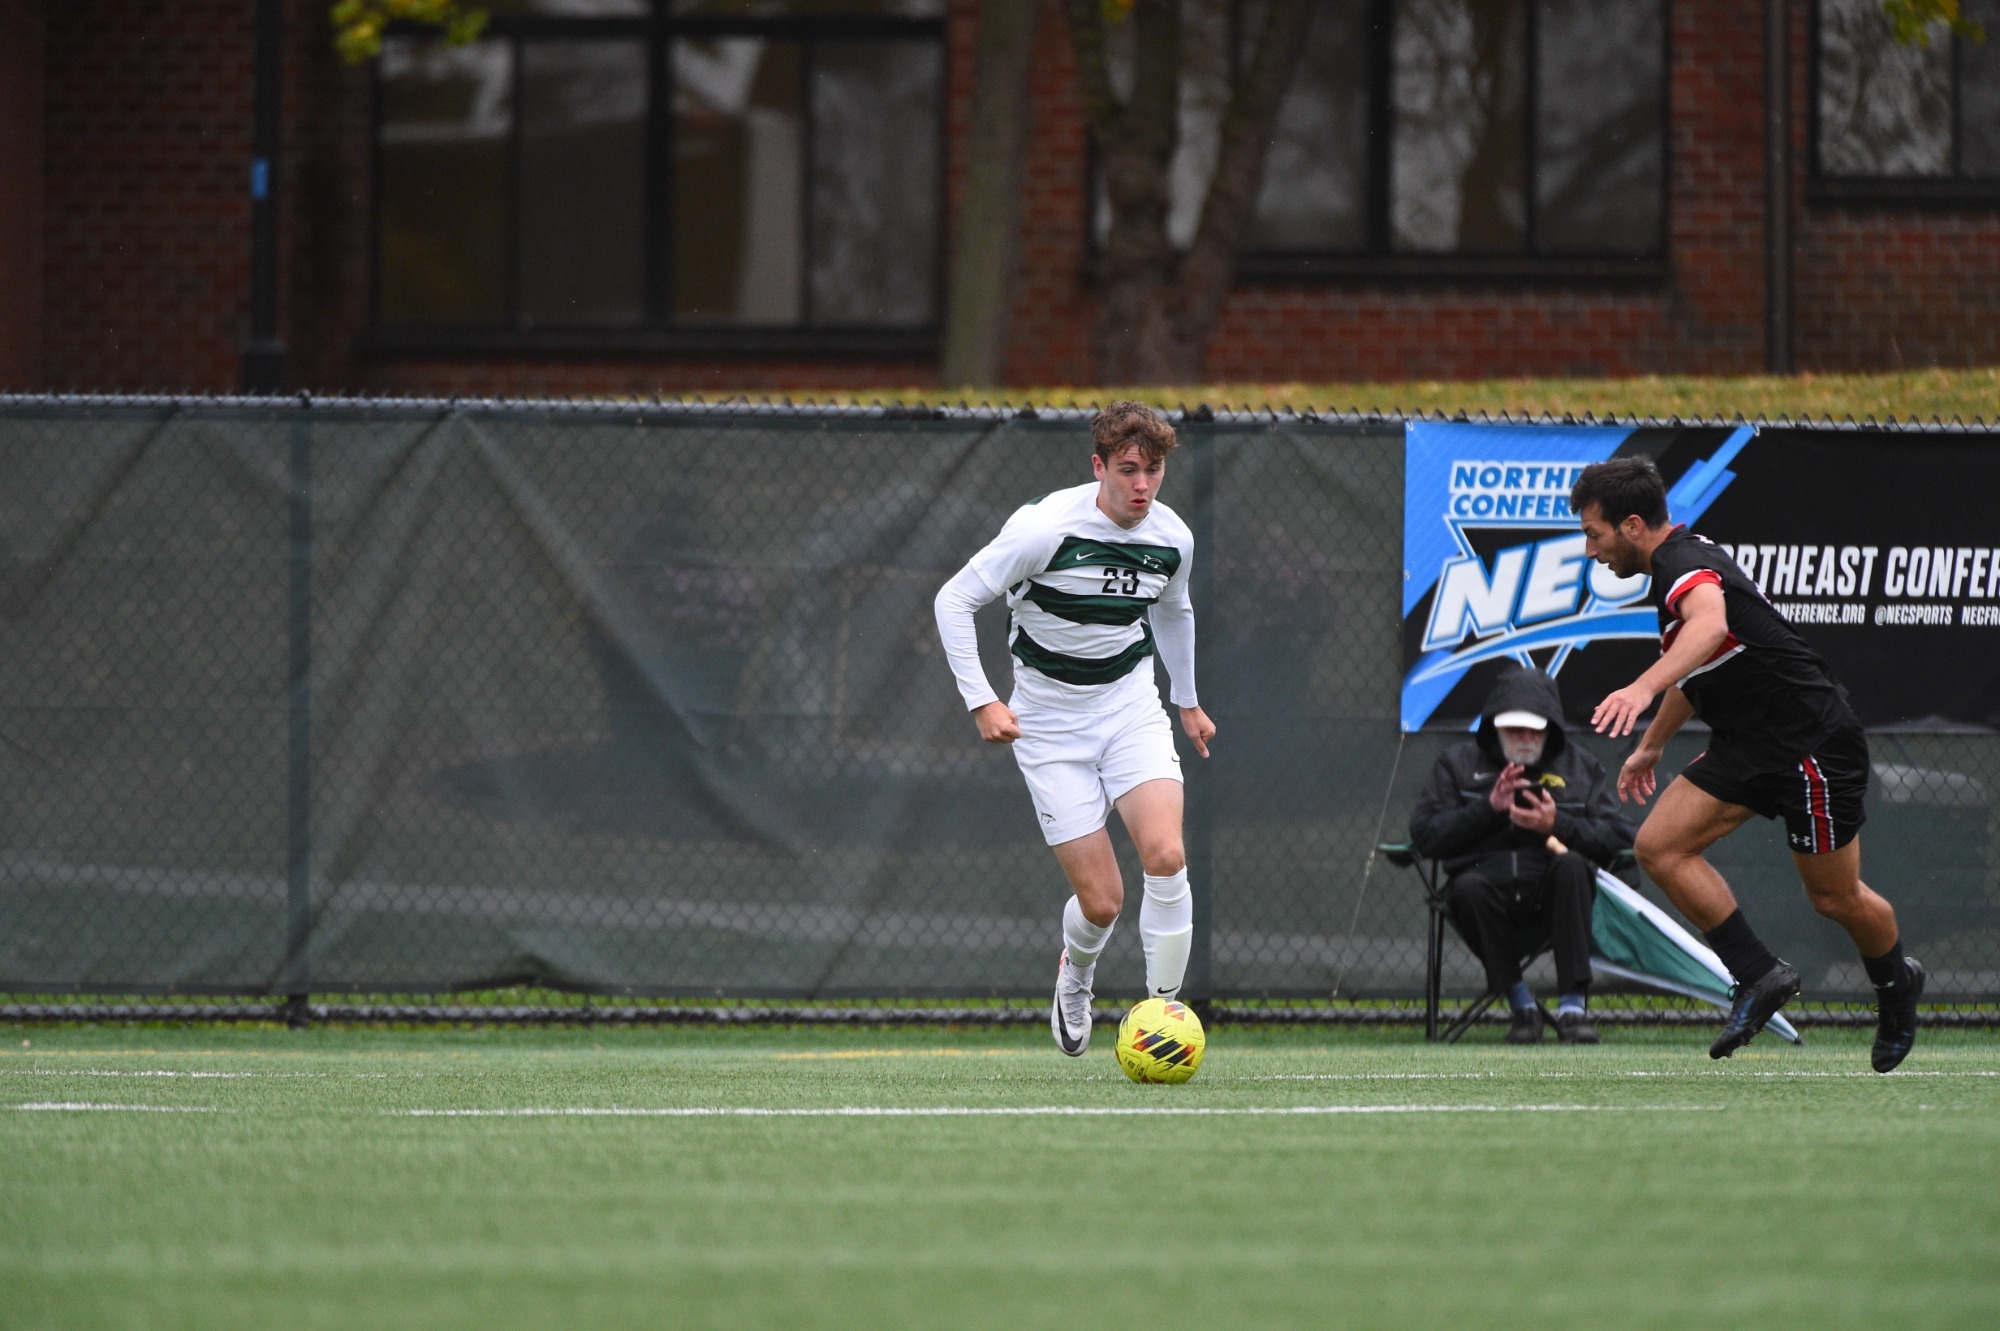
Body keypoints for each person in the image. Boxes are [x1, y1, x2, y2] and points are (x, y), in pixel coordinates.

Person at [1571, 456, 1922, 1071]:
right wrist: (1653, 743)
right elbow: (1702, 659)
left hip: (1810, 744)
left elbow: (1709, 628)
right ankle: (1758, 974)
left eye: (1593, 534)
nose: (1589, 549)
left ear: (1632, 526)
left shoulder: (1681, 562)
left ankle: (1896, 985)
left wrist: (1641, 688)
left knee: (1835, 898)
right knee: (1660, 846)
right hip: (1751, 745)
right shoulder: (1672, 564)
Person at [932, 401, 1216, 1056]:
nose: (1142, 485)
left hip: (1129, 707)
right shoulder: (1044, 529)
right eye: (1128, 470)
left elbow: (1175, 611)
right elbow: (954, 599)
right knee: (1103, 902)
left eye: (1154, 470)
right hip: (1048, 726)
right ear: (1098, 467)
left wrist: (1187, 702)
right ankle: (1077, 972)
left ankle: (1162, 1016)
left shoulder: (1173, 538)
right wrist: (982, 701)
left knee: (1166, 855)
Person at [1409, 665, 1635, 1044]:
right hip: (1484, 902)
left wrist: (1557, 824)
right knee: (1466, 888)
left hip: (1555, 903)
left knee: (1572, 866)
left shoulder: (1581, 768)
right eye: (1515, 729)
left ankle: (1573, 1010)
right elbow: (1425, 835)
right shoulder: (1457, 764)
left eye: (1535, 729)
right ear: (1495, 727)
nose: (1526, 738)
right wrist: (1488, 809)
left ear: (1551, 728)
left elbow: (1621, 838)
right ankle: (1522, 1007)